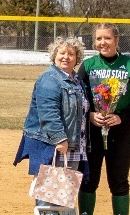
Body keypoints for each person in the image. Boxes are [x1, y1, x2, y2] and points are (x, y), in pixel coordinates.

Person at [78, 23, 130, 215]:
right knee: (89, 180)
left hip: (121, 131)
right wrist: (90, 115)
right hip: (93, 132)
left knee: (119, 181)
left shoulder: (129, 65)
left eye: (107, 38)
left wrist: (122, 116)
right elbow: (78, 96)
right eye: (98, 39)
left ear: (116, 40)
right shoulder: (88, 66)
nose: (103, 43)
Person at [16, 36, 89, 186]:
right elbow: (48, 113)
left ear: (77, 58)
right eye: (62, 53)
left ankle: (57, 211)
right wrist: (60, 139)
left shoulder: (76, 80)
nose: (66, 57)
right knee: (48, 194)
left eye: (71, 54)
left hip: (73, 145)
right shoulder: (50, 79)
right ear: (54, 55)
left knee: (64, 194)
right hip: (52, 144)